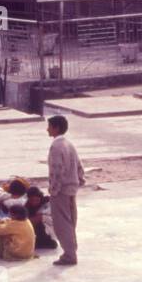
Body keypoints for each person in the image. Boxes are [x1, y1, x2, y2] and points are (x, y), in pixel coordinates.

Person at [47, 114, 85, 266]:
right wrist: (79, 181)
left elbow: (57, 170)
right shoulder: (69, 144)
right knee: (70, 221)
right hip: (71, 188)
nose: (47, 129)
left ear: (56, 128)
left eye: (49, 126)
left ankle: (69, 255)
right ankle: (71, 250)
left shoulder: (56, 146)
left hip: (61, 190)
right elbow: (79, 165)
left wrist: (53, 190)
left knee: (62, 223)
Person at [24, 186, 58, 250]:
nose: (34, 202)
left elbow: (55, 218)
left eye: (36, 200)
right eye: (32, 200)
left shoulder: (48, 202)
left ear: (40, 197)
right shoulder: (27, 206)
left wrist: (42, 217)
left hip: (49, 227)